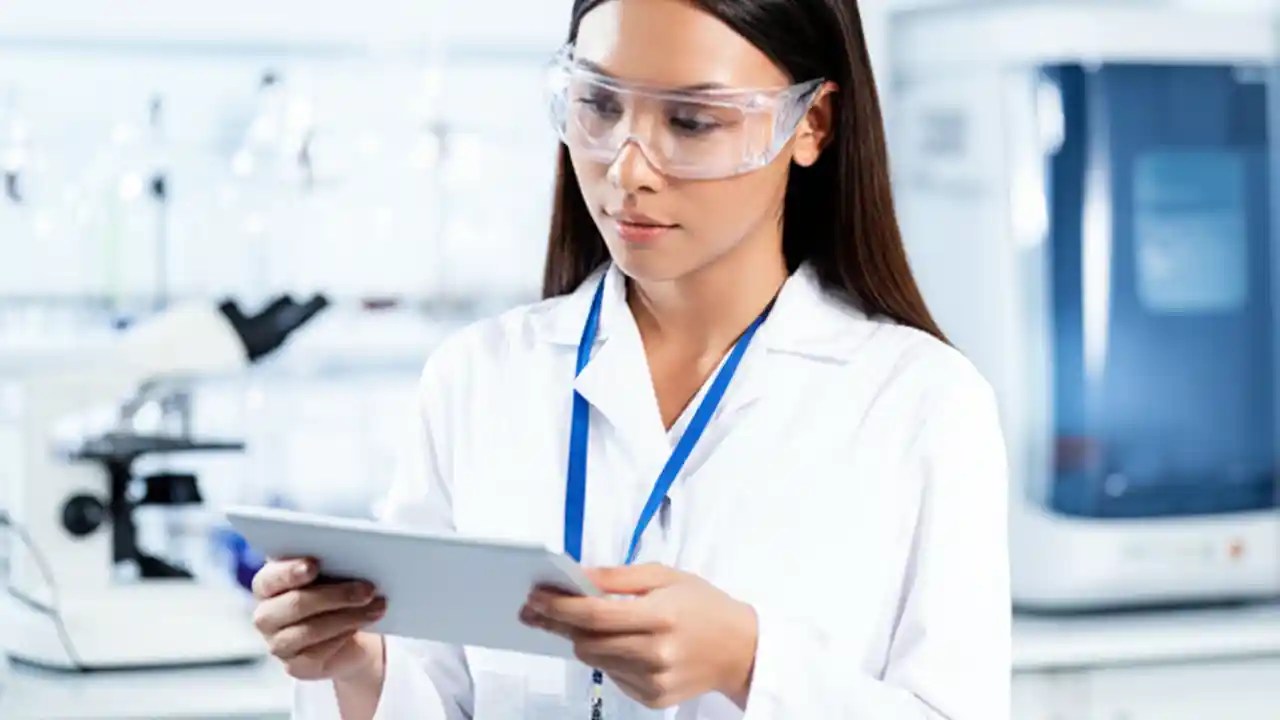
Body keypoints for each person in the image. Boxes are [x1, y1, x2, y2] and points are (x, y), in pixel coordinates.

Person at [249, 0, 1011, 717]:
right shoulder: (479, 378)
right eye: (600, 106)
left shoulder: (922, 403)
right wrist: (356, 665)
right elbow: (435, 694)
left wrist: (749, 662)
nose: (627, 169)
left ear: (811, 124)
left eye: (691, 120)